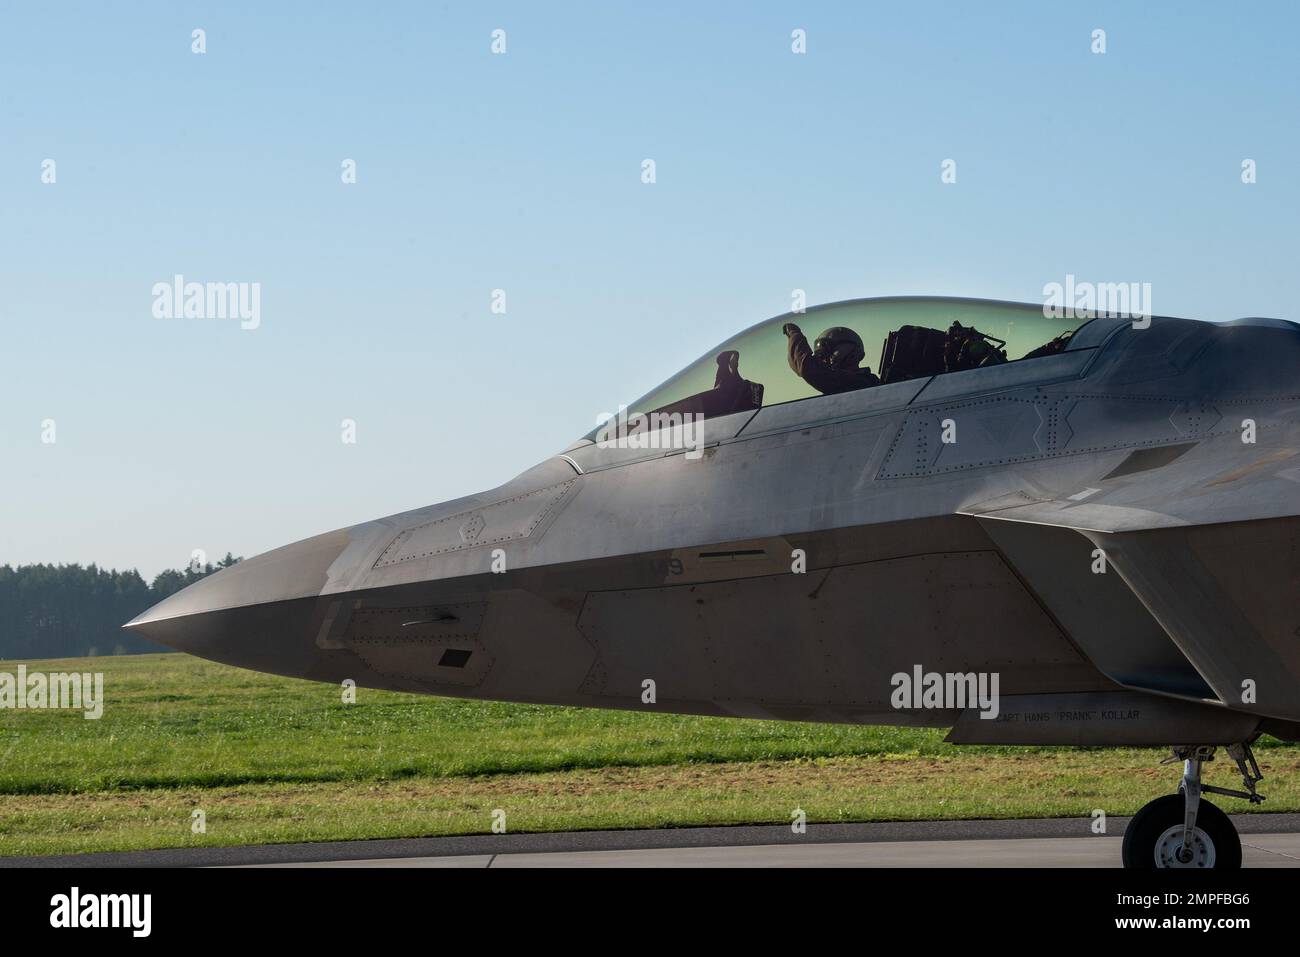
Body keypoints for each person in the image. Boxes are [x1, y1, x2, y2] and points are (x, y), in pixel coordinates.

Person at [782, 323, 880, 395]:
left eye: (828, 353)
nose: (825, 360)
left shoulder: (858, 382)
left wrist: (794, 334)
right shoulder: (859, 382)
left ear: (851, 350)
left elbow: (807, 367)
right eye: (822, 356)